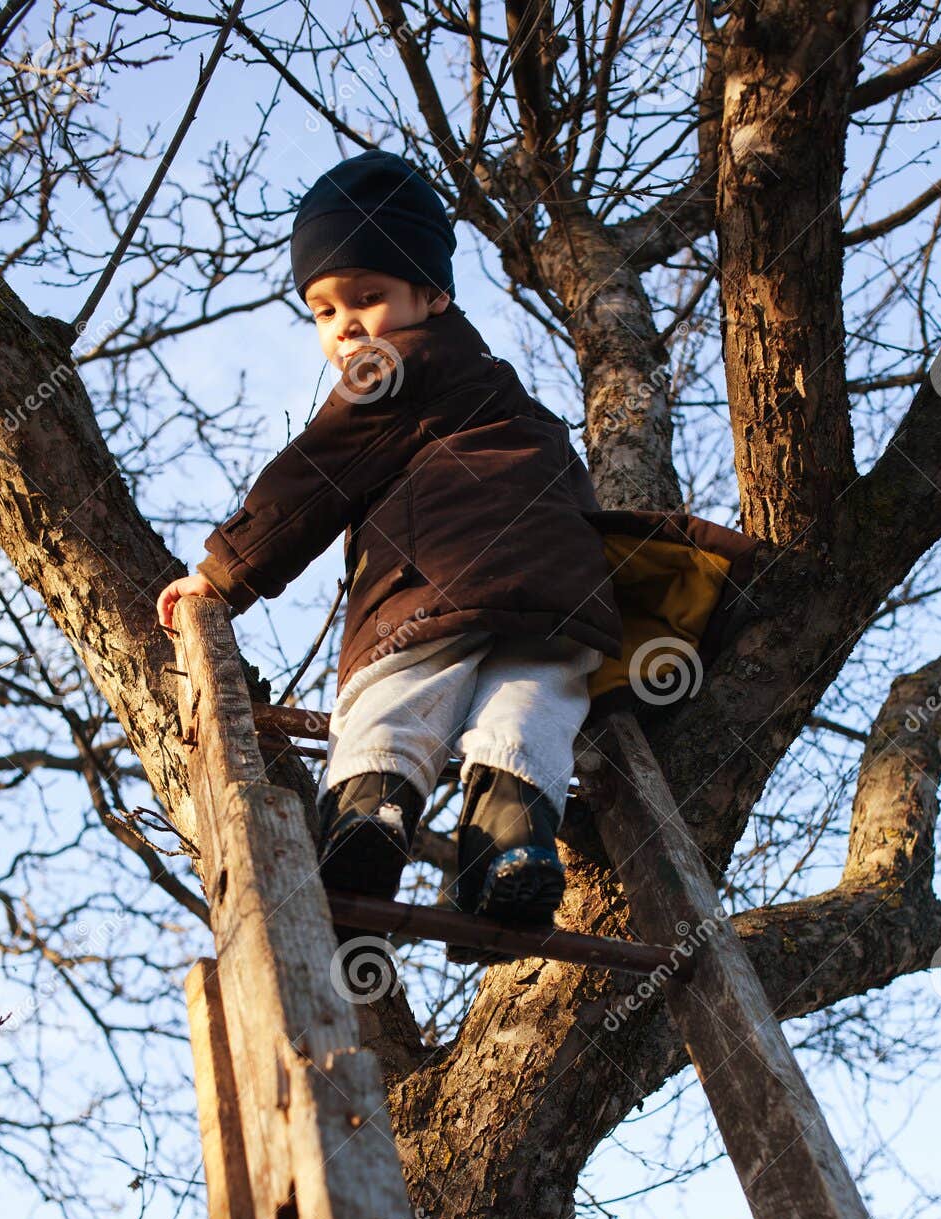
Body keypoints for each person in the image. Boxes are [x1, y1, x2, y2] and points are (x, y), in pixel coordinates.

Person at [156, 149, 622, 926]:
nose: (346, 330)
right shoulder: (506, 395)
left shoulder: (396, 369)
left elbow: (317, 472)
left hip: (437, 575)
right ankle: (510, 842)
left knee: (397, 692)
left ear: (433, 292)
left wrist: (225, 571)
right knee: (529, 702)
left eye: (366, 298)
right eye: (324, 312)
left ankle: (369, 816)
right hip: (560, 595)